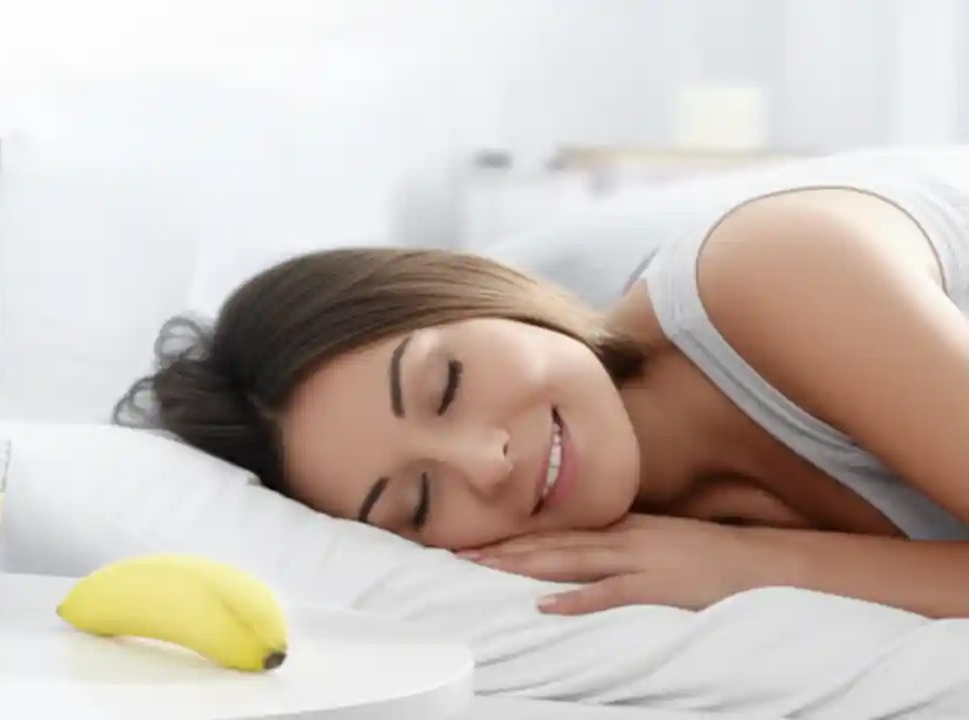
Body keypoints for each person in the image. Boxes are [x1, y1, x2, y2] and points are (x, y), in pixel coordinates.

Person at [116, 147, 969, 619]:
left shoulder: (774, 273)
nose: (486, 461)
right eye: (417, 500)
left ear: (478, 294)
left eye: (445, 384)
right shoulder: (625, 544)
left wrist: (758, 564)